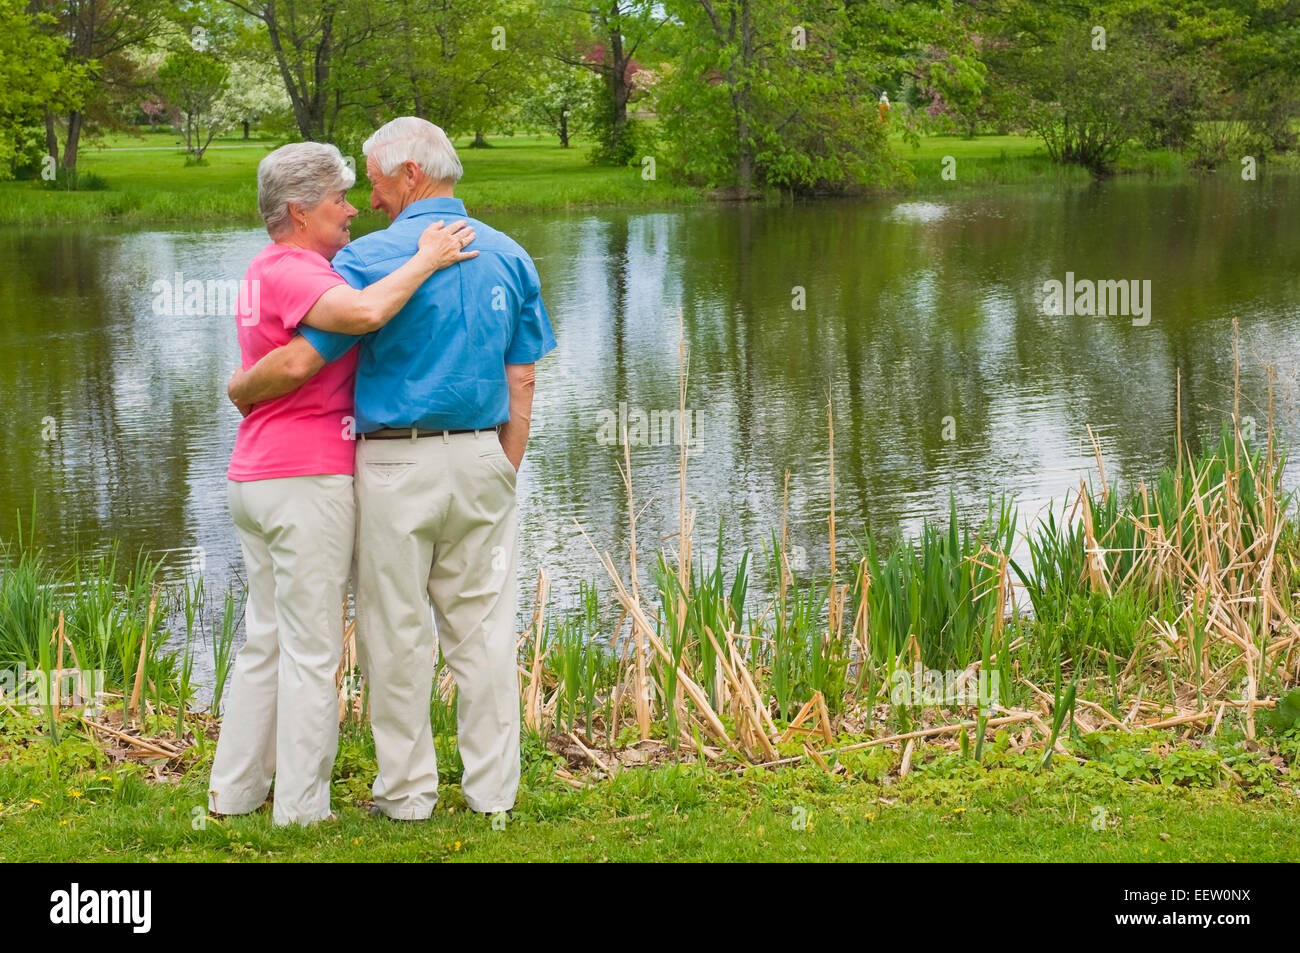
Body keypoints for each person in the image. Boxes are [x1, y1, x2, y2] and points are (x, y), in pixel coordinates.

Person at [228, 118, 556, 820]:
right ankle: (493, 793)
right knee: (486, 633)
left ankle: (407, 795)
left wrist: (240, 389)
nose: (367, 200)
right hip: (483, 455)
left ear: (410, 174)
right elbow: (522, 376)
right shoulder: (511, 255)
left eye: (374, 182)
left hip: (392, 461)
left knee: (396, 635)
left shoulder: (367, 260)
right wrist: (505, 463)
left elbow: (307, 358)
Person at [209, 140, 478, 827]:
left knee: (267, 639)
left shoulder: (259, 268)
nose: (352, 209)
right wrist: (426, 258)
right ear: (299, 212)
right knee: (311, 649)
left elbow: (282, 362)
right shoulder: (297, 269)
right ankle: (301, 809)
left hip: (256, 476)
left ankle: (236, 791)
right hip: (306, 478)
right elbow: (359, 317)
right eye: (337, 201)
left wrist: (239, 387)